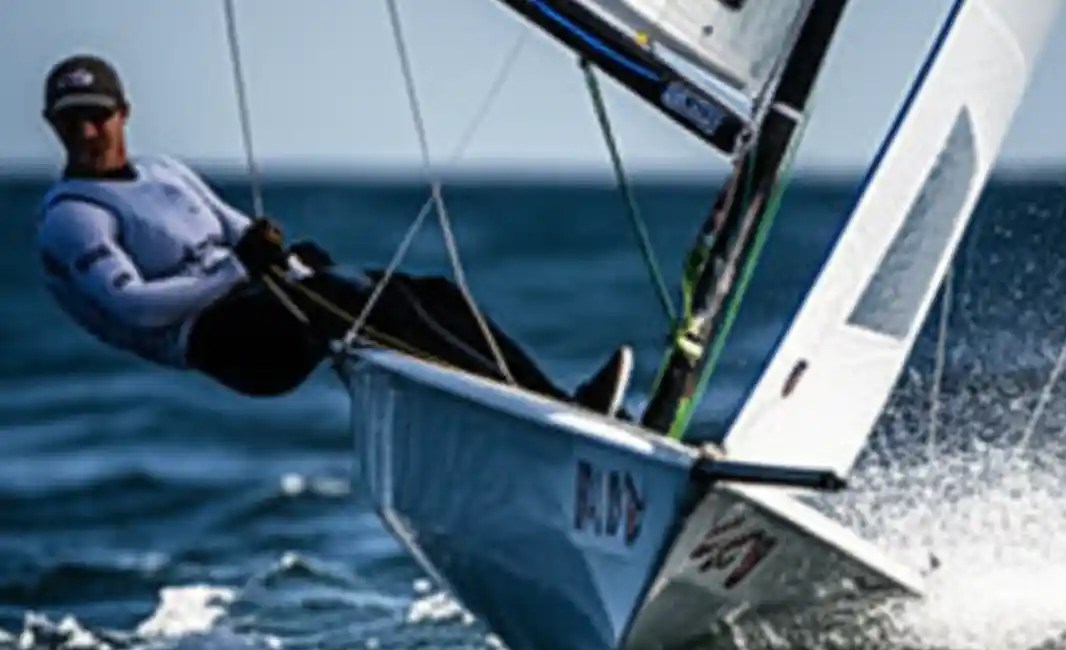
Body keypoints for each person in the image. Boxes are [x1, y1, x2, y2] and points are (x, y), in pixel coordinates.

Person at [33, 54, 633, 415]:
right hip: (222, 344)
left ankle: (555, 400)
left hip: (260, 303)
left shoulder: (164, 170)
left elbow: (241, 231)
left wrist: (287, 261)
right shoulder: (74, 217)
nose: (87, 131)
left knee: (426, 294)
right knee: (359, 300)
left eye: (97, 115)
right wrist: (240, 269)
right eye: (71, 121)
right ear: (52, 126)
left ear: (124, 112)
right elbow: (134, 308)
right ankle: (537, 412)